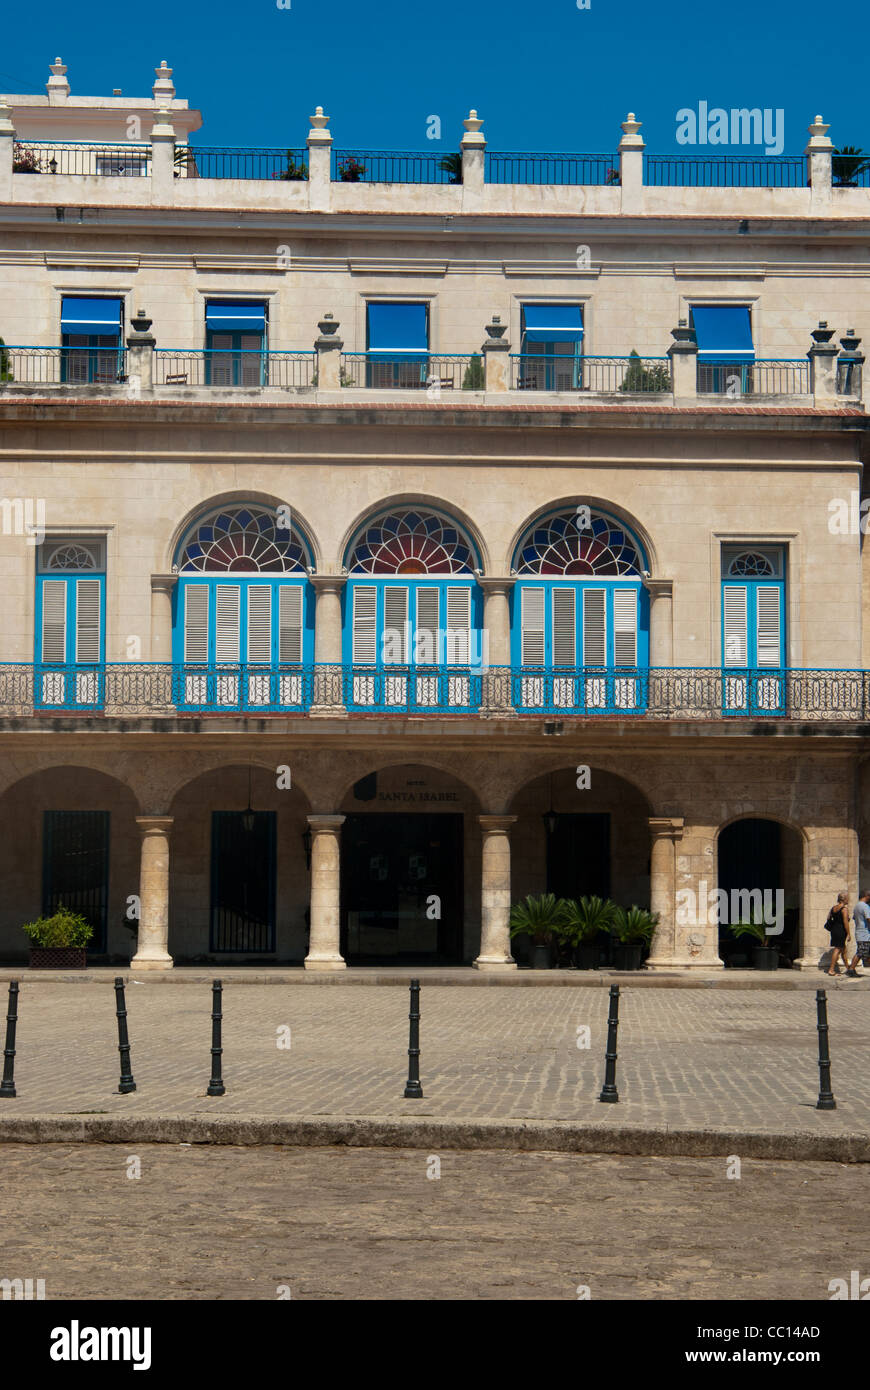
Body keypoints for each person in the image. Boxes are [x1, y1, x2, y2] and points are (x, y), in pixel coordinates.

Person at [826, 892, 851, 976]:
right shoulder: (844, 909)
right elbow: (845, 922)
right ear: (844, 899)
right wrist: (849, 934)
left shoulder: (833, 908)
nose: (849, 899)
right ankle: (831, 970)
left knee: (843, 950)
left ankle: (848, 968)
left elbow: (828, 918)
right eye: (848, 898)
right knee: (837, 949)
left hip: (834, 930)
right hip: (841, 931)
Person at [846, 889, 870, 978]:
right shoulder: (865, 906)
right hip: (864, 934)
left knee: (866, 953)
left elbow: (855, 918)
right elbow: (868, 919)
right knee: (861, 952)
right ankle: (851, 969)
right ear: (867, 896)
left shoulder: (857, 906)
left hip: (860, 932)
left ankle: (851, 969)